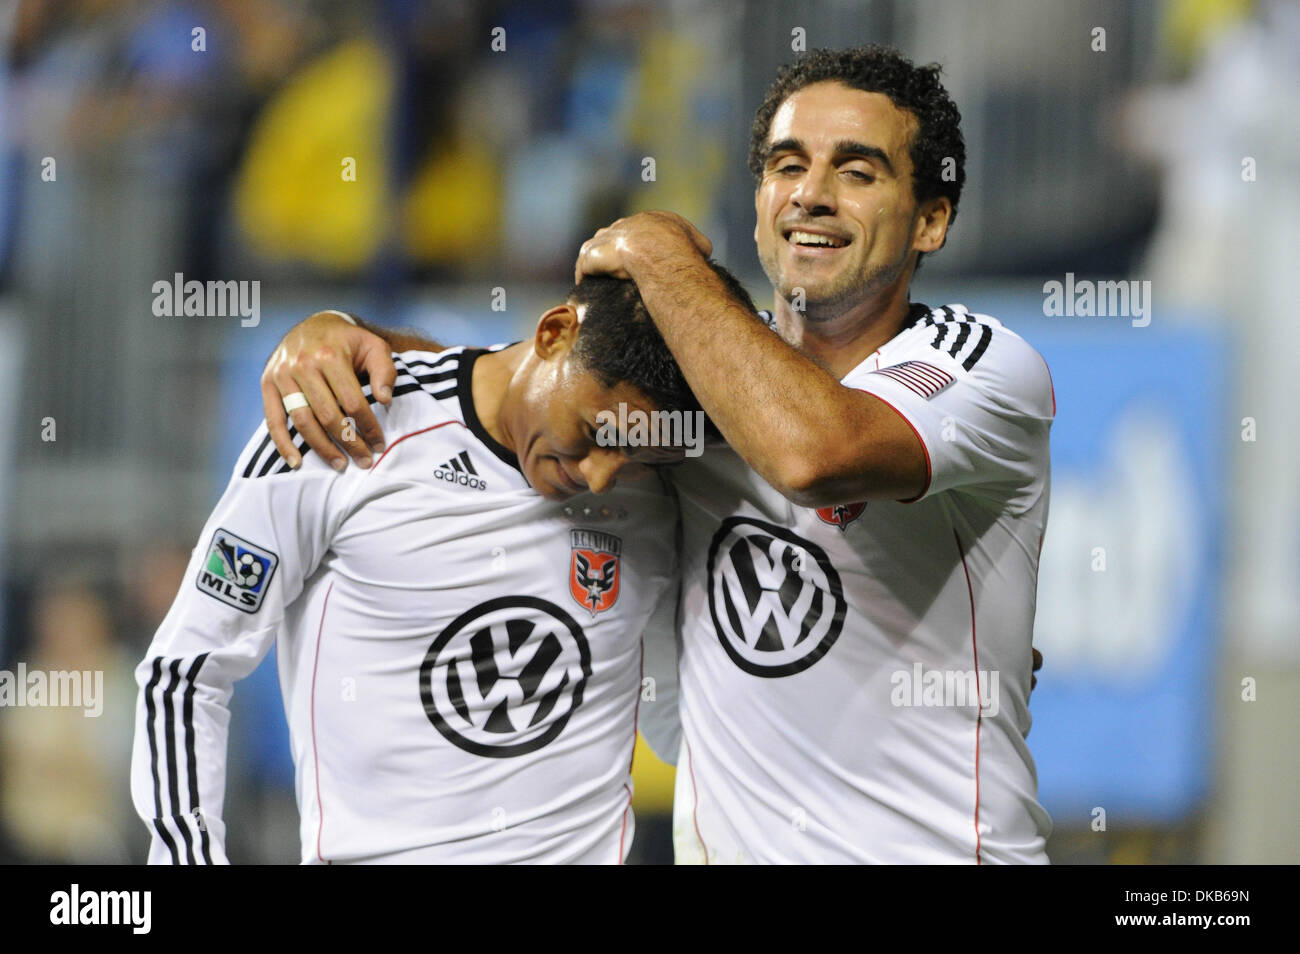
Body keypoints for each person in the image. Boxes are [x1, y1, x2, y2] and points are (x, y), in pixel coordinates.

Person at [263, 45, 1053, 864]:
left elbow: (815, 453)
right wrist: (338, 337)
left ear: (931, 218)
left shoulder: (982, 365)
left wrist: (659, 255)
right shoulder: (689, 402)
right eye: (788, 166)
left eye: (859, 172)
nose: (812, 195)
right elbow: (519, 394)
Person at [130, 267, 755, 864]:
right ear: (553, 333)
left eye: (636, 456)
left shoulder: (659, 489)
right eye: (593, 430)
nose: (601, 474)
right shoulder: (339, 423)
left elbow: (686, 720)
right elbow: (188, 671)